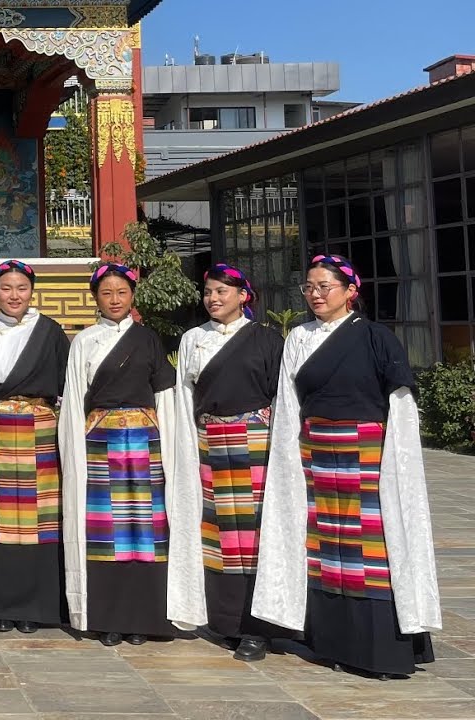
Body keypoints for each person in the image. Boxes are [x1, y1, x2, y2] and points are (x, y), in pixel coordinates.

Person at [253, 254, 440, 678]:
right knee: (325, 545)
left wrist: (400, 460)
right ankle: (329, 640)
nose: (315, 295)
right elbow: (288, 403)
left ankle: (378, 650)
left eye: (325, 287)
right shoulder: (298, 338)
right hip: (315, 454)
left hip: (366, 455)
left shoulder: (376, 337)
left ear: (351, 291)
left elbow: (400, 404)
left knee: (369, 545)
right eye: (309, 287)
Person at [168, 263, 286, 662]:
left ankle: (257, 628)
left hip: (255, 443)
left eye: (222, 291)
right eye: (208, 292)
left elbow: (281, 396)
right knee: (217, 534)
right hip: (208, 444)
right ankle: (222, 621)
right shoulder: (192, 340)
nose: (213, 299)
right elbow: (184, 397)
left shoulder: (268, 340)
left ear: (243, 296)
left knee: (252, 536)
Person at [59, 263, 179, 647]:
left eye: (122, 293)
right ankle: (108, 618)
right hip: (98, 443)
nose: (115, 300)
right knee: (104, 531)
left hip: (145, 444)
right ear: (95, 298)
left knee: (145, 532)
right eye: (107, 293)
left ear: (133, 297)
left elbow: (165, 397)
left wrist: (171, 447)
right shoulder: (84, 341)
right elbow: (76, 399)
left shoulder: (148, 340)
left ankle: (144, 618)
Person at [0, 259, 70, 634]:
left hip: (38, 431)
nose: (14, 295)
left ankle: (37, 607)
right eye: (6, 288)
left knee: (39, 521)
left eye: (21, 288)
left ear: (32, 291)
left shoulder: (50, 332)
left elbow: (65, 386)